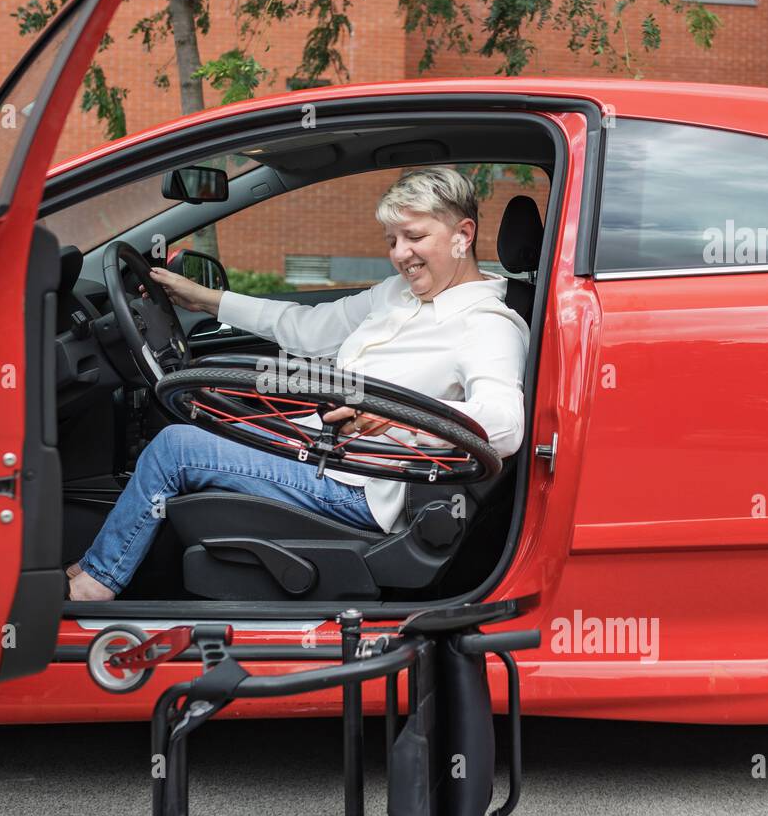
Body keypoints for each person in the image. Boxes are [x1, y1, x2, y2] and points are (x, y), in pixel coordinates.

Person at [67, 166, 531, 601]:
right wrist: (206, 299)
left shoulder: (487, 324)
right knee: (204, 420)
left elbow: (505, 424)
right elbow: (307, 330)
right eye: (391, 239)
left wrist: (394, 419)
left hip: (361, 487)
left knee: (176, 448)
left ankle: (97, 582)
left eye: (415, 236)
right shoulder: (397, 295)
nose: (399, 254)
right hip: (321, 448)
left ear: (462, 236)